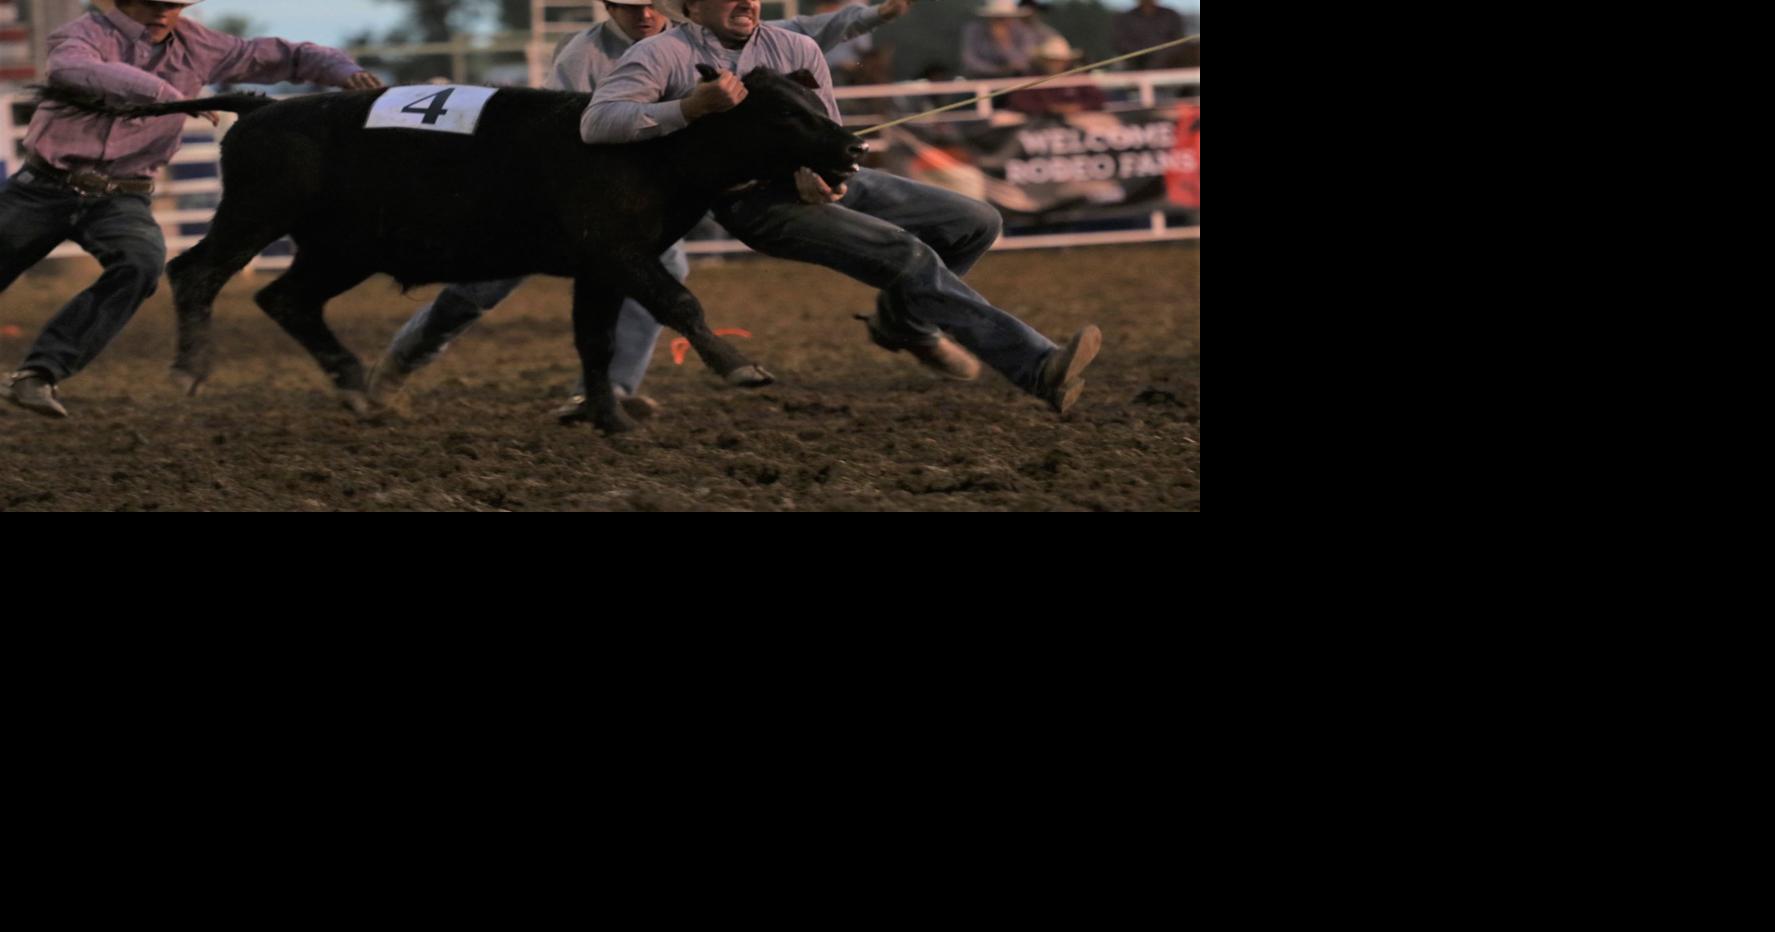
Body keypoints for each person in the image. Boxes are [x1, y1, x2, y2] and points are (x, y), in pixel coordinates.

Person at [368, 0, 917, 422]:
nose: (645, 13)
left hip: (650, 203)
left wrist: (870, 16)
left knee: (665, 270)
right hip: (559, 202)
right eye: (632, 6)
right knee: (478, 286)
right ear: (611, 9)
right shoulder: (584, 56)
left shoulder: (689, 44)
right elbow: (559, 132)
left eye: (652, 3)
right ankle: (403, 361)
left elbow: (802, 30)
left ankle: (612, 390)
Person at [583, 0, 1101, 415]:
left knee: (975, 222)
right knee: (907, 256)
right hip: (750, 200)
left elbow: (828, 134)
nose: (746, 2)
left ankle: (905, 324)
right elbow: (597, 122)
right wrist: (689, 107)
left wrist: (830, 178)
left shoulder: (796, 47)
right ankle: (1036, 366)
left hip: (812, 184)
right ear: (691, 7)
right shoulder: (659, 55)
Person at [1, 0, 380, 418]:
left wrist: (344, 71)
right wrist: (171, 97)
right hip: (45, 188)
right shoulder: (82, 35)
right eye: (154, 2)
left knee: (140, 263)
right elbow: (71, 69)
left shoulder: (201, 45)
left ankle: (40, 374)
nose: (164, 12)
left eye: (173, 5)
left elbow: (289, 55)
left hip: (121, 195)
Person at [1004, 36, 1104, 116]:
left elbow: (1098, 99)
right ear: (1044, 60)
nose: (1057, 64)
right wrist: (1051, 109)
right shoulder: (1031, 77)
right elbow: (1020, 102)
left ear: (1066, 61)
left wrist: (1079, 107)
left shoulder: (1075, 78)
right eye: (1053, 60)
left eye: (1060, 60)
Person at [960, 0, 1042, 79]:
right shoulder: (974, 30)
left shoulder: (1024, 32)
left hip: (1014, 82)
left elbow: (1024, 64)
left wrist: (1005, 44)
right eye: (998, 18)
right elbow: (969, 62)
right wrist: (998, 70)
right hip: (980, 80)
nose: (1003, 22)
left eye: (1007, 17)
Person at [1112, 0, 1195, 70]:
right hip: (1137, 66)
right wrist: (1145, 54)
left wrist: (1161, 54)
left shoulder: (1171, 15)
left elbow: (1179, 41)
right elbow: (1121, 43)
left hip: (1170, 66)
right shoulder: (1125, 18)